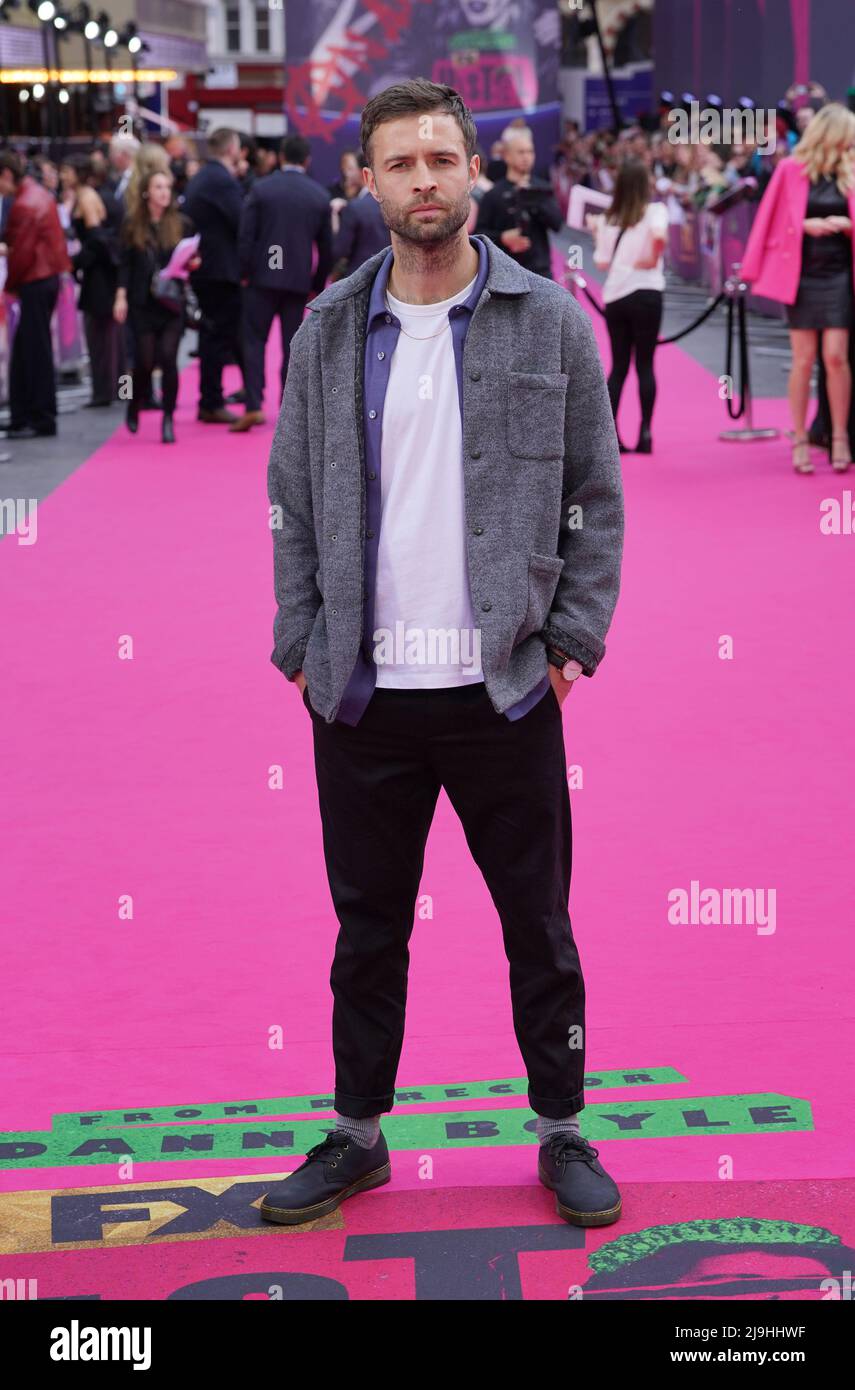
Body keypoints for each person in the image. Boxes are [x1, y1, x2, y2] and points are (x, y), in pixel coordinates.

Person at [260, 78, 625, 1231]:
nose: (425, 180)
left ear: (474, 172)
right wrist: (299, 645)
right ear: (365, 181)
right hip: (364, 694)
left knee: (539, 926)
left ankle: (562, 1127)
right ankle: (358, 1134)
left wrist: (570, 640)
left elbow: (594, 497)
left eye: (442, 160)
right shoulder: (327, 328)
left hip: (504, 690)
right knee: (367, 929)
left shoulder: (551, 321)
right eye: (401, 163)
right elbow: (291, 500)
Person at [742, 101, 855, 474]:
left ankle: (839, 436)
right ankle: (801, 437)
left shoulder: (851, 170)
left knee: (836, 356)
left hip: (840, 275)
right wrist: (806, 227)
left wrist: (845, 224)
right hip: (802, 275)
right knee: (804, 359)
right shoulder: (790, 169)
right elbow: (769, 221)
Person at [233, 134, 333, 432]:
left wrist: (245, 272)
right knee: (293, 346)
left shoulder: (261, 190)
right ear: (307, 161)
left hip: (261, 280)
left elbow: (245, 237)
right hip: (298, 282)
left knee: (254, 342)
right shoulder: (319, 196)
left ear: (280, 158)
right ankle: (288, 410)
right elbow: (327, 249)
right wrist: (316, 283)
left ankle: (253, 404)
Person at [590, 158, 669, 455]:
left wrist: (598, 233)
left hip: (617, 295)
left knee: (619, 366)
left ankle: (613, 436)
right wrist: (652, 256)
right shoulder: (656, 211)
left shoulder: (610, 218)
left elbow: (601, 262)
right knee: (645, 364)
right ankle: (646, 432)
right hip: (647, 292)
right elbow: (660, 235)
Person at [114, 168, 194, 444]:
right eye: (158, 187)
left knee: (169, 359)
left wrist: (192, 263)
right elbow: (124, 263)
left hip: (171, 302)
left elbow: (194, 258)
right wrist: (121, 296)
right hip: (142, 303)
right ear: (147, 191)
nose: (164, 192)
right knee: (145, 362)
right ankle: (135, 403)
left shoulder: (181, 223)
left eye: (167, 187)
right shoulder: (132, 224)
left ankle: (168, 418)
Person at [0, 150, 71, 439]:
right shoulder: (36, 195)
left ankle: (40, 417)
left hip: (35, 281)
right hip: (44, 279)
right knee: (29, 350)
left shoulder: (25, 204)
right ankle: (25, 415)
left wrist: (11, 287)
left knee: (34, 351)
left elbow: (22, 256)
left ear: (6, 175)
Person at [182, 128, 245, 423]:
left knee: (213, 335)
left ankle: (212, 398)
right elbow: (242, 222)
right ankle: (211, 400)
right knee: (217, 336)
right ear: (232, 149)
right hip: (219, 271)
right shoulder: (221, 180)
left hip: (206, 267)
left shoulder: (204, 176)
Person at [67, 154, 121, 409]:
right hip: (98, 274)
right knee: (103, 334)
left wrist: (74, 261)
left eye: (66, 171)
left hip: (99, 277)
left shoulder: (86, 197)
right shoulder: (85, 195)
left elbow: (97, 240)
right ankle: (109, 390)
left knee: (100, 334)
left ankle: (104, 391)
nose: (62, 176)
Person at [474, 125, 563, 279]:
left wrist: (535, 199)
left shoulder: (542, 188)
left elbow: (557, 224)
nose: (526, 157)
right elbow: (479, 234)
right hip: (506, 274)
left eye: (530, 151)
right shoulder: (493, 194)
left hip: (541, 272)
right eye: (521, 152)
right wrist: (503, 237)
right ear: (507, 156)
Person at [331, 151, 391, 276]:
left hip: (358, 278)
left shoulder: (355, 208)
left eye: (351, 169)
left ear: (362, 173)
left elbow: (339, 250)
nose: (347, 174)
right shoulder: (392, 204)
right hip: (388, 276)